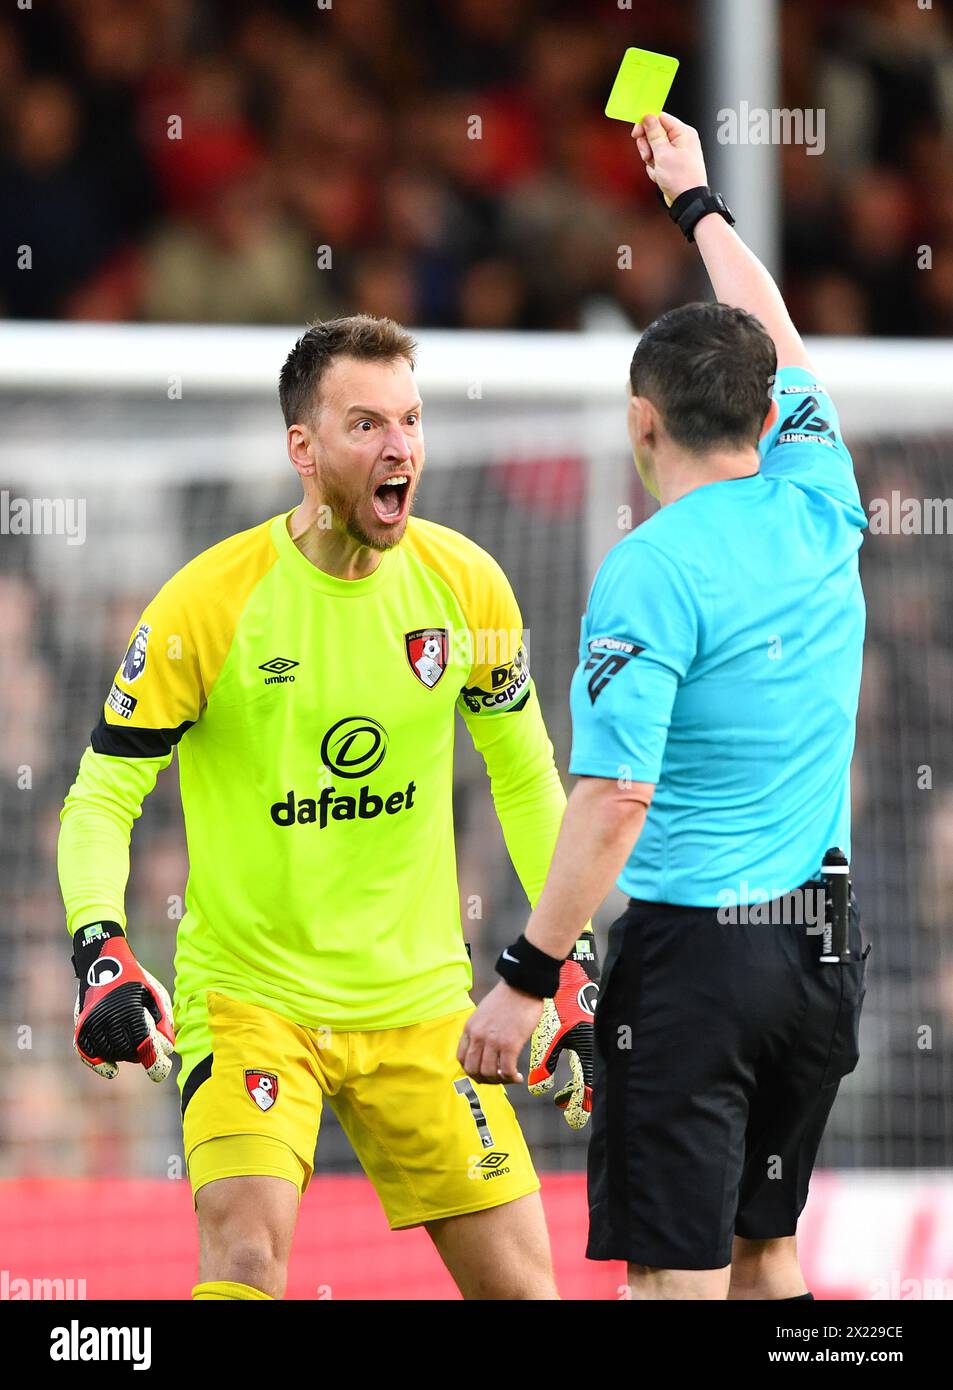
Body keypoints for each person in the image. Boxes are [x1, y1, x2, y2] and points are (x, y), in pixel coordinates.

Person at [58, 314, 599, 1301]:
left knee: (525, 1288)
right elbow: (102, 793)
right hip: (251, 1000)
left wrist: (567, 958)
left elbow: (527, 778)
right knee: (246, 1257)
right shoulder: (207, 602)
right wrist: (101, 947)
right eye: (366, 425)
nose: (399, 447)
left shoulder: (464, 584)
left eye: (411, 420)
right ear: (302, 450)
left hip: (420, 1005)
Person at [460, 112, 869, 1301]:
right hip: (824, 946)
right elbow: (780, 338)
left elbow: (614, 795)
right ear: (766, 411)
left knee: (672, 1274)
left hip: (700, 959)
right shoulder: (820, 489)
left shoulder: (648, 565)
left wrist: (528, 972)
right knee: (766, 1250)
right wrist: (695, 202)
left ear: (642, 425)